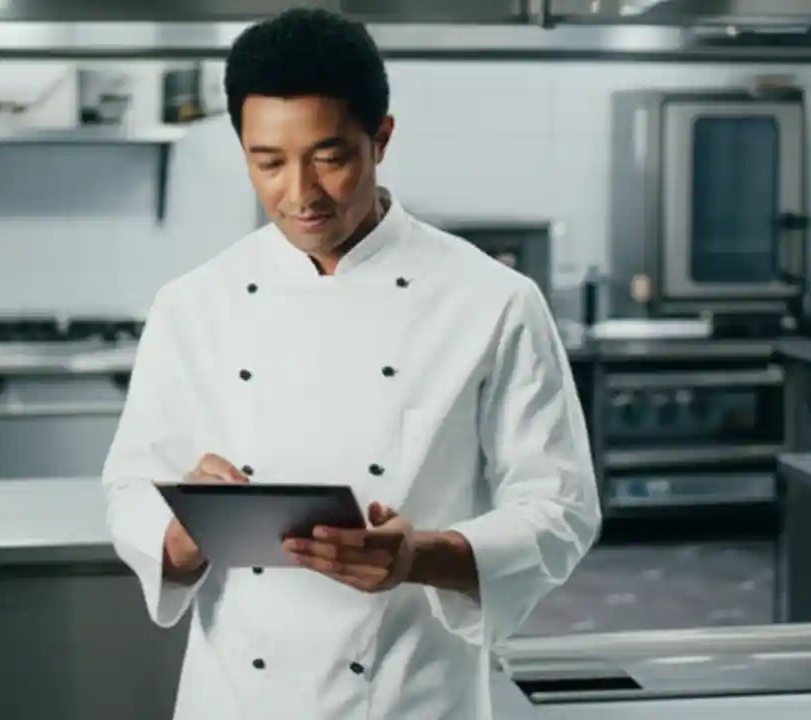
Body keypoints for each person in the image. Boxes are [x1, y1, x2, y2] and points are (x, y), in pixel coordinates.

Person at [101, 7, 600, 719]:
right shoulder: (193, 304)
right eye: (266, 162)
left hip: (409, 693)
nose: (299, 193)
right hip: (239, 696)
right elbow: (127, 487)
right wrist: (177, 539)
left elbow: (562, 510)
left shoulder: (492, 300)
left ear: (382, 138)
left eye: (329, 157)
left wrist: (421, 555)